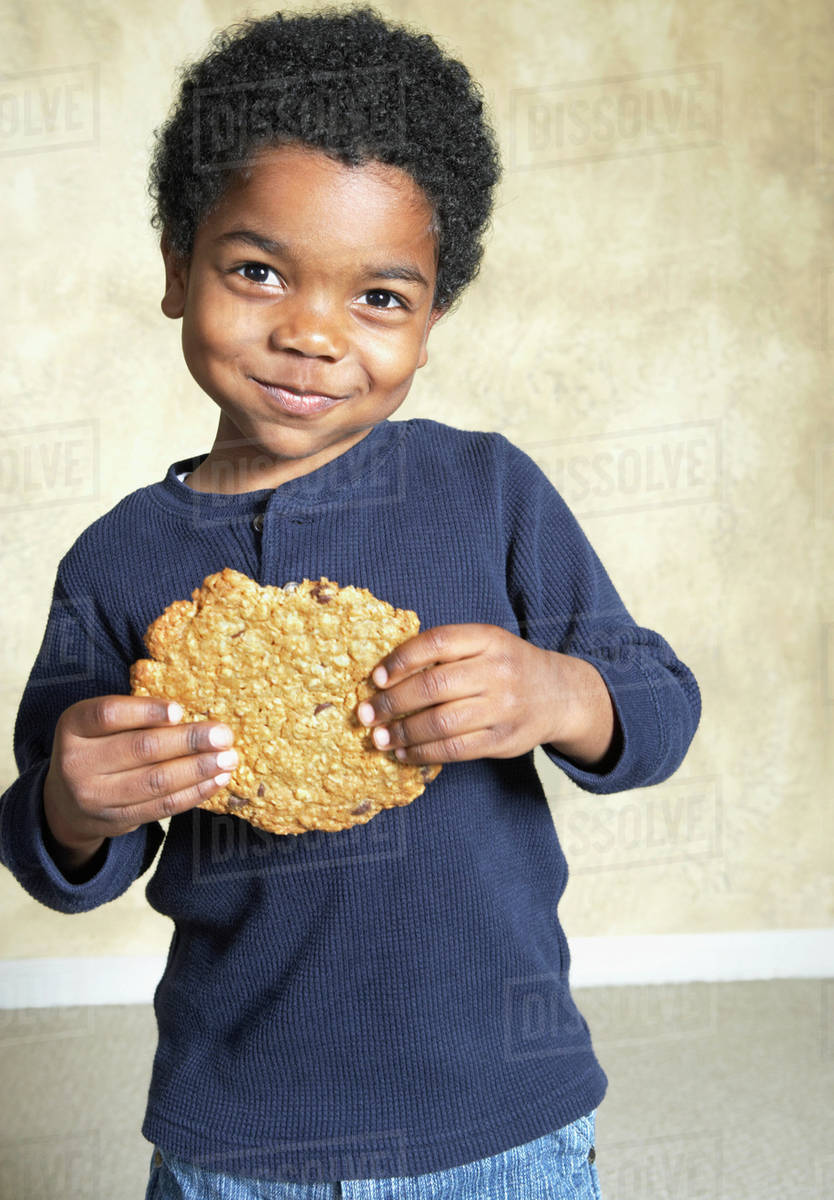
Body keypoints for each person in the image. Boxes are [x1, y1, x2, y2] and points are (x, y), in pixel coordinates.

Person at [0, 7, 701, 1198]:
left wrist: (559, 691)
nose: (312, 333)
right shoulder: (119, 560)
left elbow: (659, 709)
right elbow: (53, 840)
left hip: (501, 1118)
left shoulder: (486, 491)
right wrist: (73, 804)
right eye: (258, 270)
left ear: (434, 319)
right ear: (178, 266)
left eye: (379, 297)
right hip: (240, 1132)